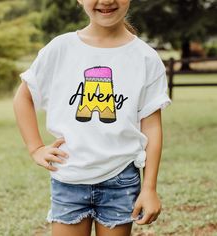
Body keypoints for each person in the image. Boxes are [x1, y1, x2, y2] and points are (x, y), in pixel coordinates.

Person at [13, 0, 172, 235]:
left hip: (121, 179)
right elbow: (23, 98)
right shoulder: (60, 48)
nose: (106, 1)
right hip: (69, 177)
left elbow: (152, 127)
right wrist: (35, 147)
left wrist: (149, 188)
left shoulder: (146, 58)